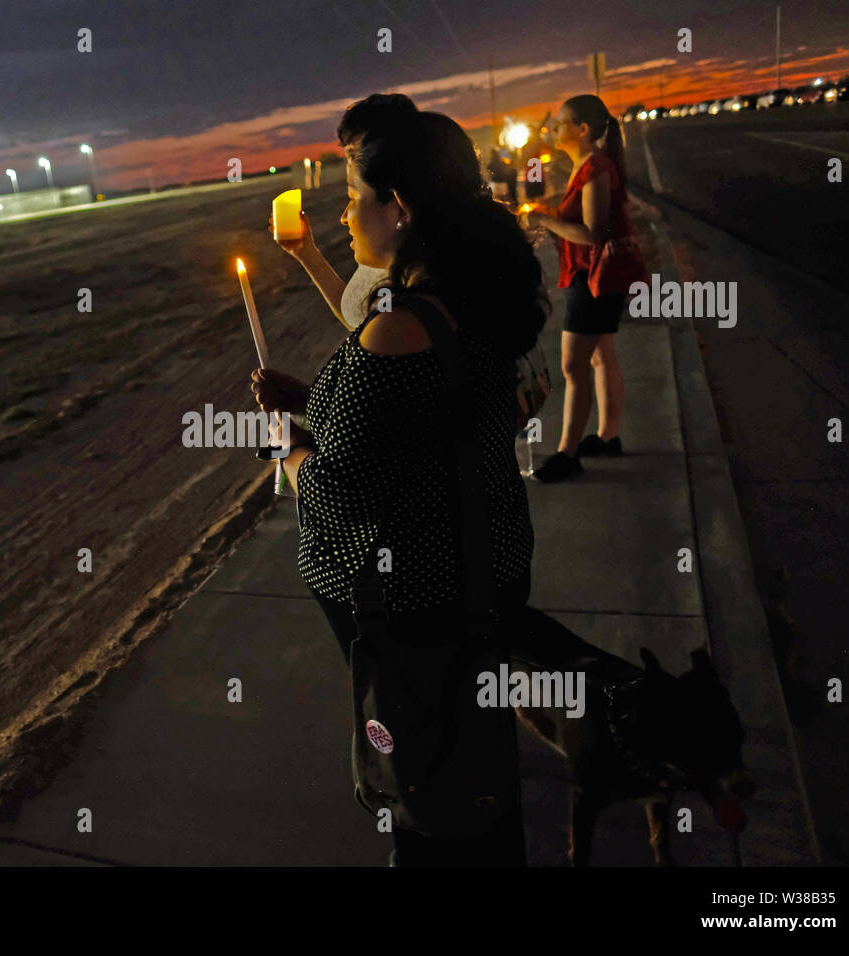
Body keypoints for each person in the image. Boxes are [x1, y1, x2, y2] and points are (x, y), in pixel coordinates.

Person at [248, 93, 548, 866]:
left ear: (401, 209)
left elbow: (345, 490)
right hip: (482, 573)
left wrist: (286, 448)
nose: (345, 217)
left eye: (354, 199)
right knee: (477, 767)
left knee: (428, 795)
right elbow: (418, 433)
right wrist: (316, 403)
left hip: (418, 606)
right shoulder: (467, 296)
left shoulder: (402, 326)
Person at [521, 94, 634, 481]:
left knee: (573, 366)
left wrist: (543, 218)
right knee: (601, 356)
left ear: (582, 130)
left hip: (594, 279)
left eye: (559, 124)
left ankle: (568, 455)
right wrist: (550, 212)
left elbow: (592, 234)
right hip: (593, 276)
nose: (551, 131)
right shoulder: (586, 166)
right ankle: (608, 436)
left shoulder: (595, 167)